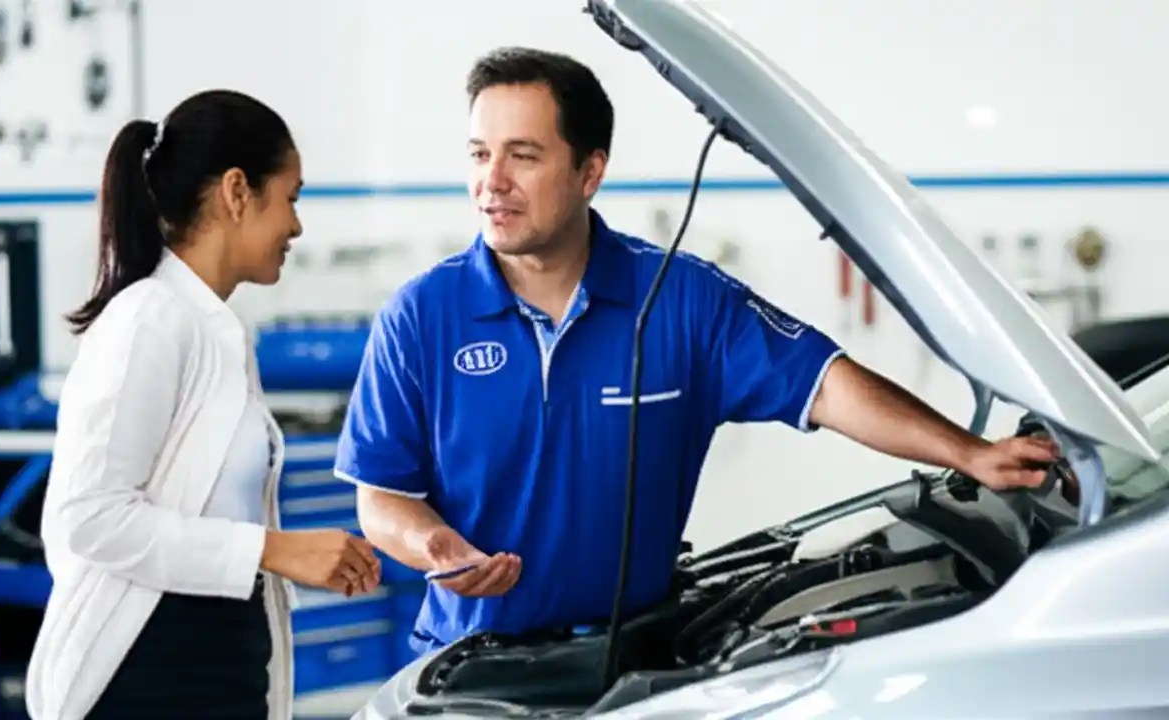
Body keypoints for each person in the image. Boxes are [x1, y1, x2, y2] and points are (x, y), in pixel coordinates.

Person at [333, 47, 1058, 656]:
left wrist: (967, 454)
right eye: (479, 154)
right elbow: (382, 495)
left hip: (632, 663)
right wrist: (434, 547)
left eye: (522, 156)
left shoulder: (680, 299)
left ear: (590, 172)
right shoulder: (421, 316)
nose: (492, 182)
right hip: (469, 668)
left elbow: (826, 385)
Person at [25, 89, 382, 720]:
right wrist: (275, 549)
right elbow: (88, 516)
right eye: (291, 198)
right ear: (238, 191)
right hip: (149, 680)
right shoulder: (149, 320)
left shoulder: (215, 326)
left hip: (211, 670)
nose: (296, 225)